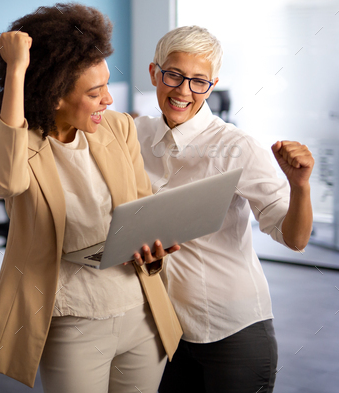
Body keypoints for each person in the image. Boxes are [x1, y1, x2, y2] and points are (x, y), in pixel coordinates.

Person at [0, 4, 182, 392]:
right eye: (95, 91)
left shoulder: (120, 129)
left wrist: (153, 248)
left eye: (107, 84)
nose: (108, 99)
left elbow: (143, 209)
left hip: (140, 311)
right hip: (73, 320)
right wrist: (17, 71)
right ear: (55, 97)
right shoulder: (8, 145)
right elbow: (6, 182)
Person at [134, 26, 314, 393]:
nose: (184, 91)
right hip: (167, 329)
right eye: (173, 75)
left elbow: (294, 239)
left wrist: (300, 187)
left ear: (211, 86)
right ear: (154, 73)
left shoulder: (237, 147)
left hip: (234, 329)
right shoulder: (135, 134)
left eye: (198, 81)